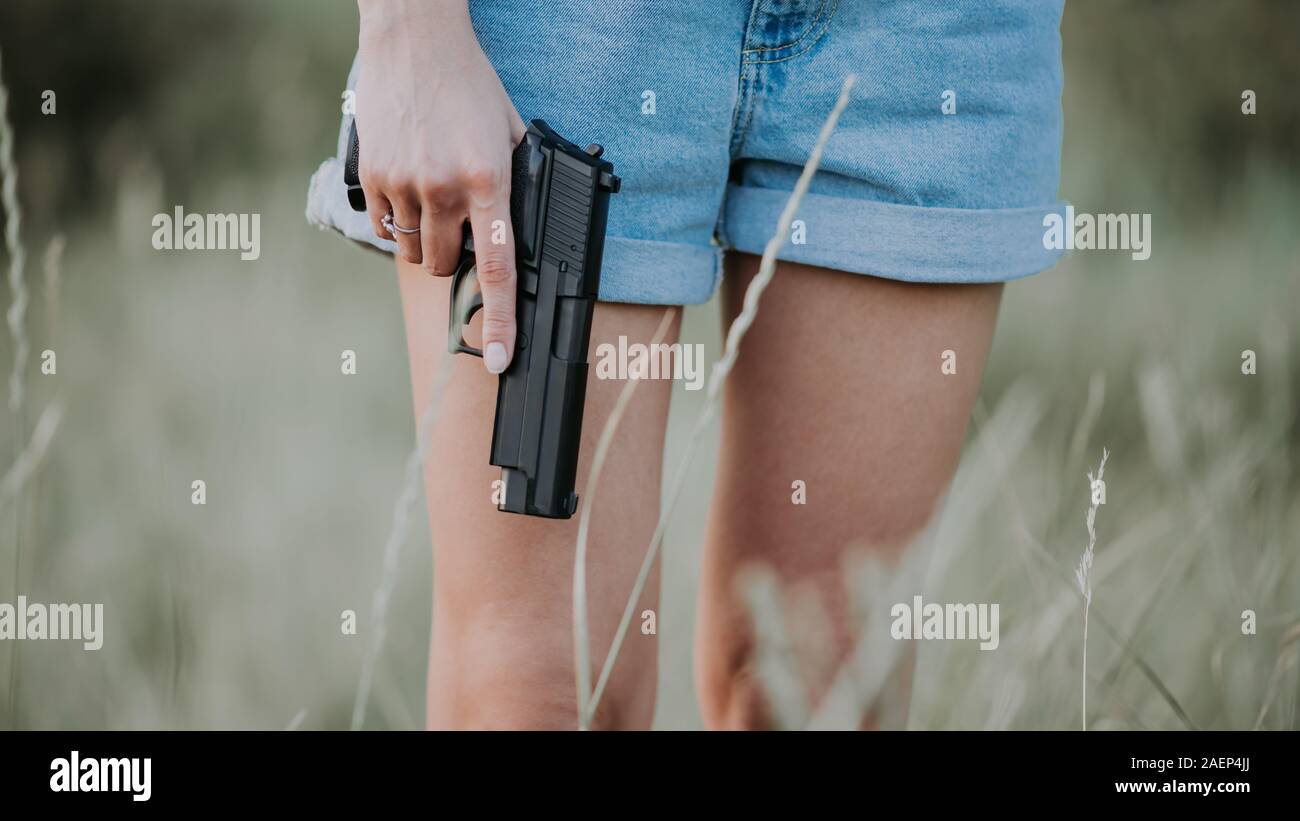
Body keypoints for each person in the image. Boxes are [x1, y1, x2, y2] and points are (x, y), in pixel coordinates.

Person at [306, 0, 1066, 729]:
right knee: (538, 696)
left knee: (819, 682)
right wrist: (410, 23)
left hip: (927, 33)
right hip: (570, 30)